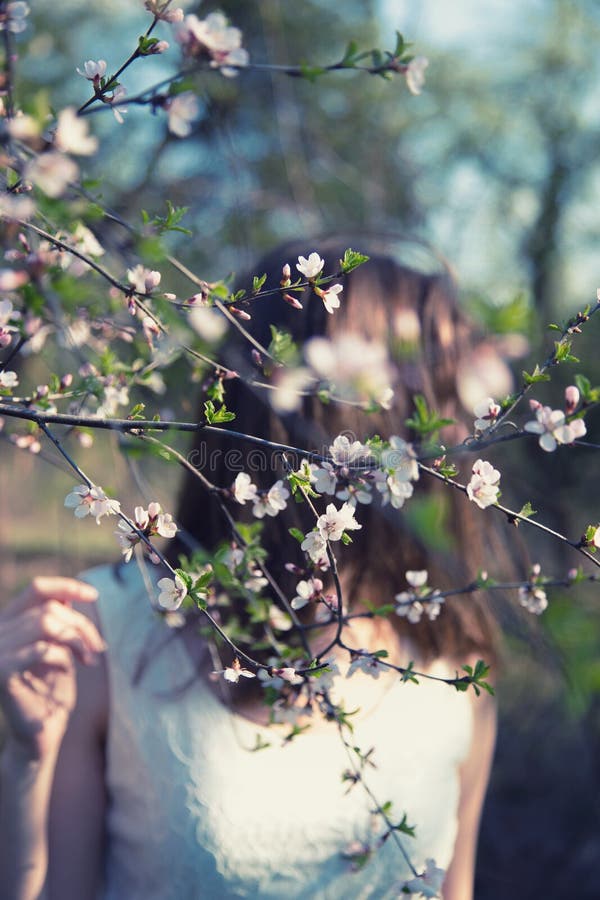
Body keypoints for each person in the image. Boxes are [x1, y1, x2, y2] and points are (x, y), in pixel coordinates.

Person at [0, 239, 510, 899]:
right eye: (434, 384)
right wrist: (22, 766)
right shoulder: (100, 636)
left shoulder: (453, 661)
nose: (457, 423)